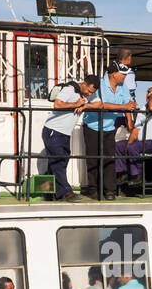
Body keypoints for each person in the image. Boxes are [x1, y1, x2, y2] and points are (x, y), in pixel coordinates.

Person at [79, 63, 135, 200]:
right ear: (114, 74)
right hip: (92, 126)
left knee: (110, 159)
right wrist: (124, 106)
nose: (125, 76)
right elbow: (101, 104)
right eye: (123, 74)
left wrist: (130, 122)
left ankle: (109, 190)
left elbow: (130, 104)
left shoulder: (123, 87)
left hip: (110, 127)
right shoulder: (99, 84)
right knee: (93, 159)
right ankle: (93, 189)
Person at [41, 77, 85, 202]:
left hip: (64, 133)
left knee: (59, 161)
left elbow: (99, 103)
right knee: (59, 160)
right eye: (91, 90)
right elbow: (57, 104)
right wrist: (75, 104)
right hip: (54, 131)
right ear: (86, 85)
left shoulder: (82, 95)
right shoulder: (69, 89)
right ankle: (65, 192)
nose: (91, 94)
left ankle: (48, 190)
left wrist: (84, 105)